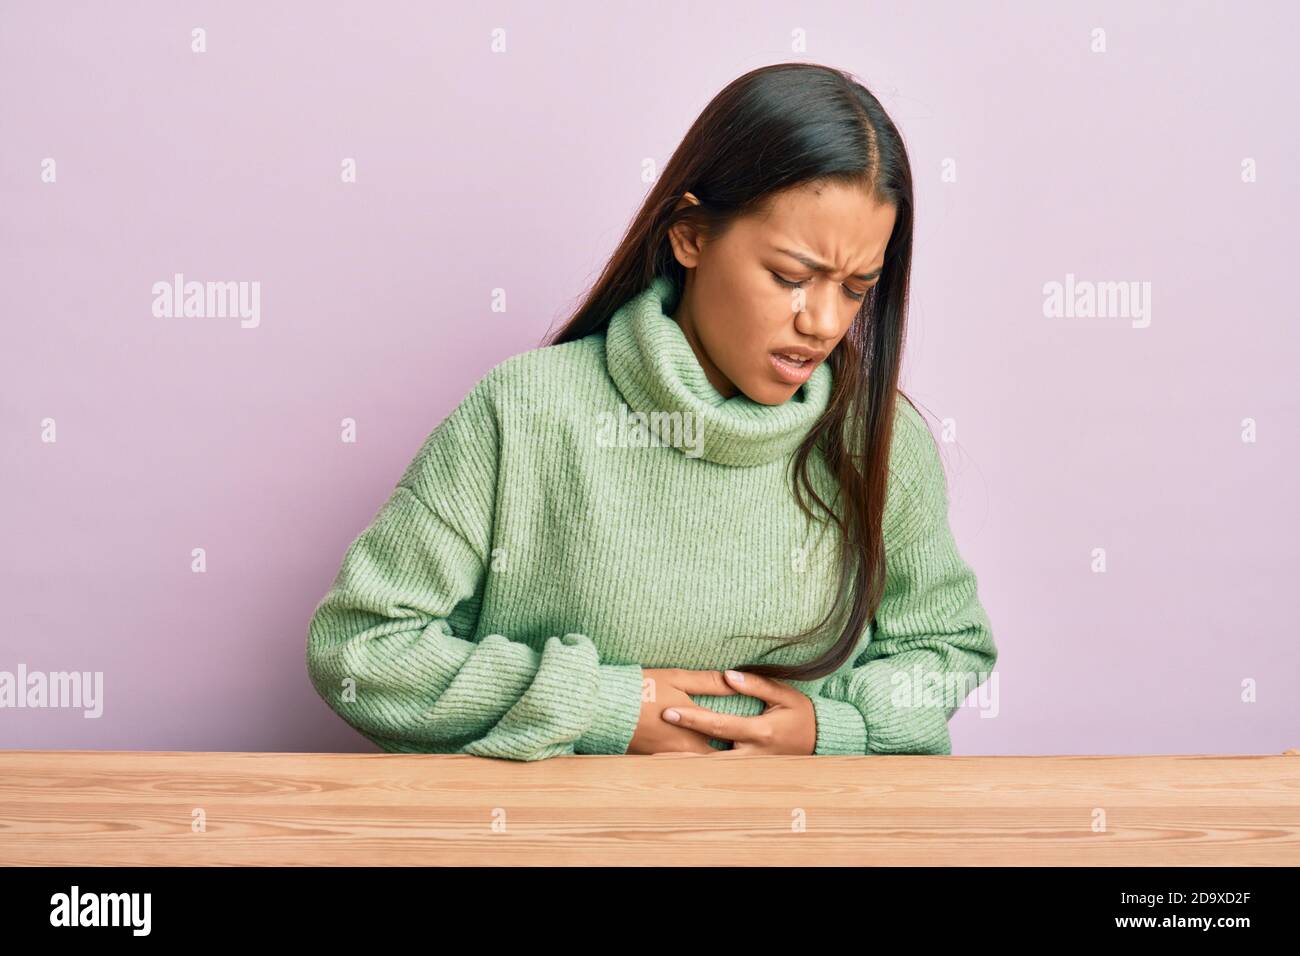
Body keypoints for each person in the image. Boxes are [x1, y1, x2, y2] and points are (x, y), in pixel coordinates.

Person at [306, 62, 997, 761]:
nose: (823, 321)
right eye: (791, 277)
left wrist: (835, 731)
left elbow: (945, 646)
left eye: (856, 287)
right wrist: (602, 706)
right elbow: (362, 653)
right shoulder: (525, 411)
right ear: (690, 235)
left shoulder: (874, 439)